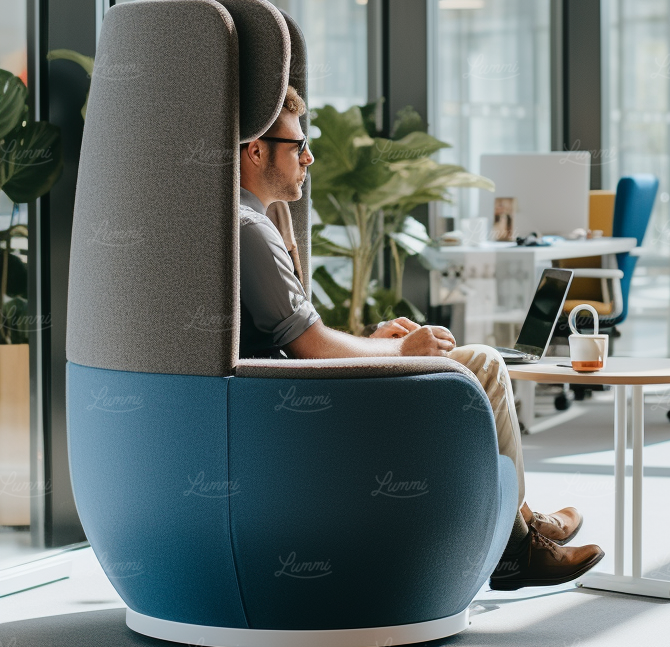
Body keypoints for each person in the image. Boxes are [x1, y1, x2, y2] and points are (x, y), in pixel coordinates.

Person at [238, 86, 605, 591]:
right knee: (483, 364)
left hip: (293, 385)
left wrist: (371, 340)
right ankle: (520, 548)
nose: (310, 156)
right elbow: (307, 346)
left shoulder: (249, 221)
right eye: (298, 144)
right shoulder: (251, 229)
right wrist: (396, 351)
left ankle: (525, 530)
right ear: (256, 151)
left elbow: (301, 336)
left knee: (471, 356)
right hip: (307, 401)